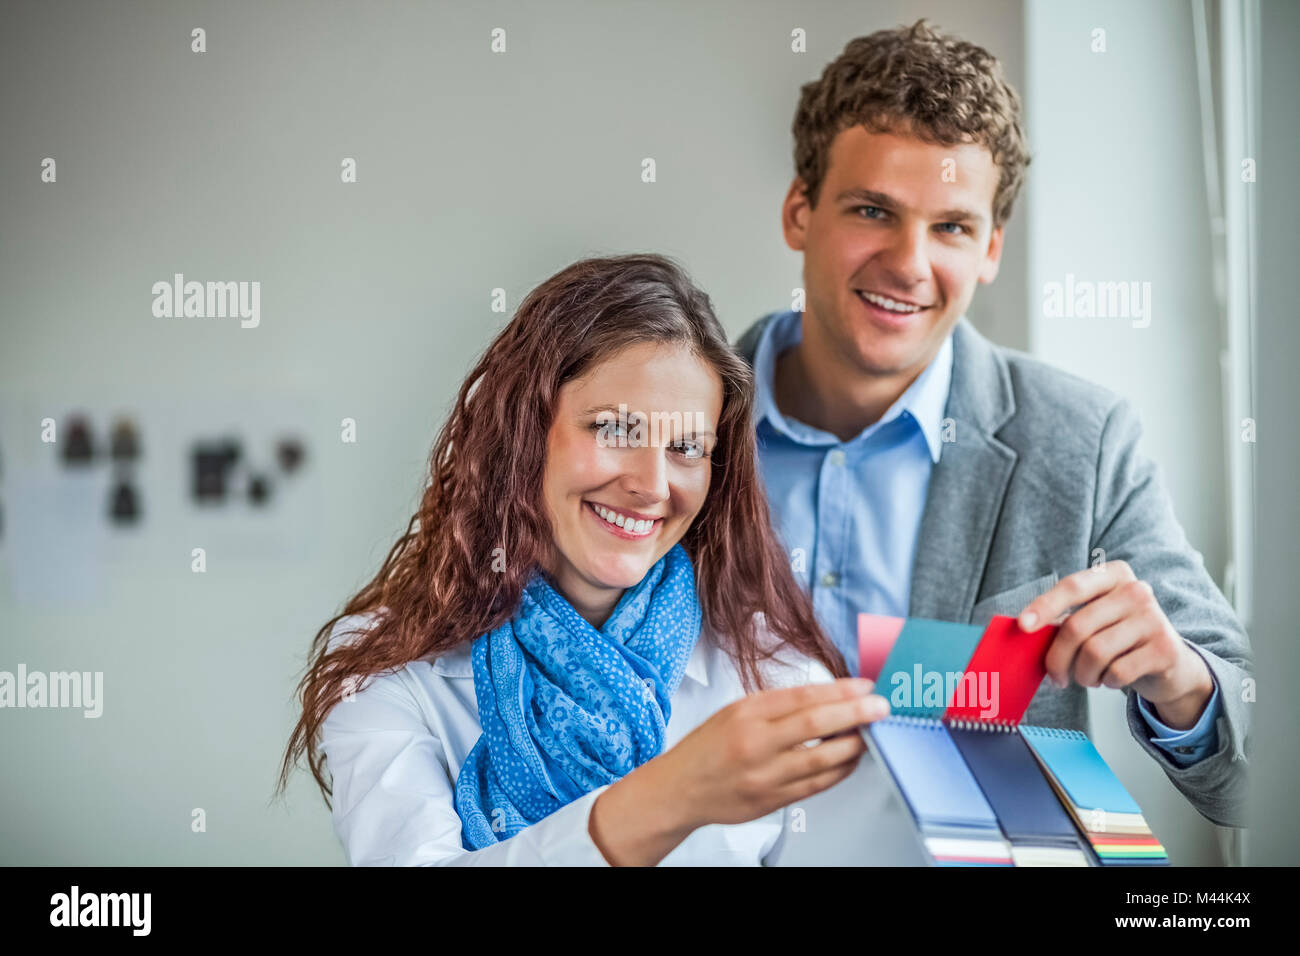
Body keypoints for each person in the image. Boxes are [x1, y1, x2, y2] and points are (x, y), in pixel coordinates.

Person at [733, 20, 1251, 828]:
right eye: (873, 210)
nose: (909, 263)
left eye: (951, 227)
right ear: (800, 212)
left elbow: (1254, 777)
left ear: (991, 249)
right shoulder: (681, 426)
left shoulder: (1085, 441)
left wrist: (1180, 679)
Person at [276, 253, 891, 865]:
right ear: (523, 432)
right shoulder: (386, 672)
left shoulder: (776, 673)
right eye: (615, 430)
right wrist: (673, 796)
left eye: (685, 447)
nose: (653, 485)